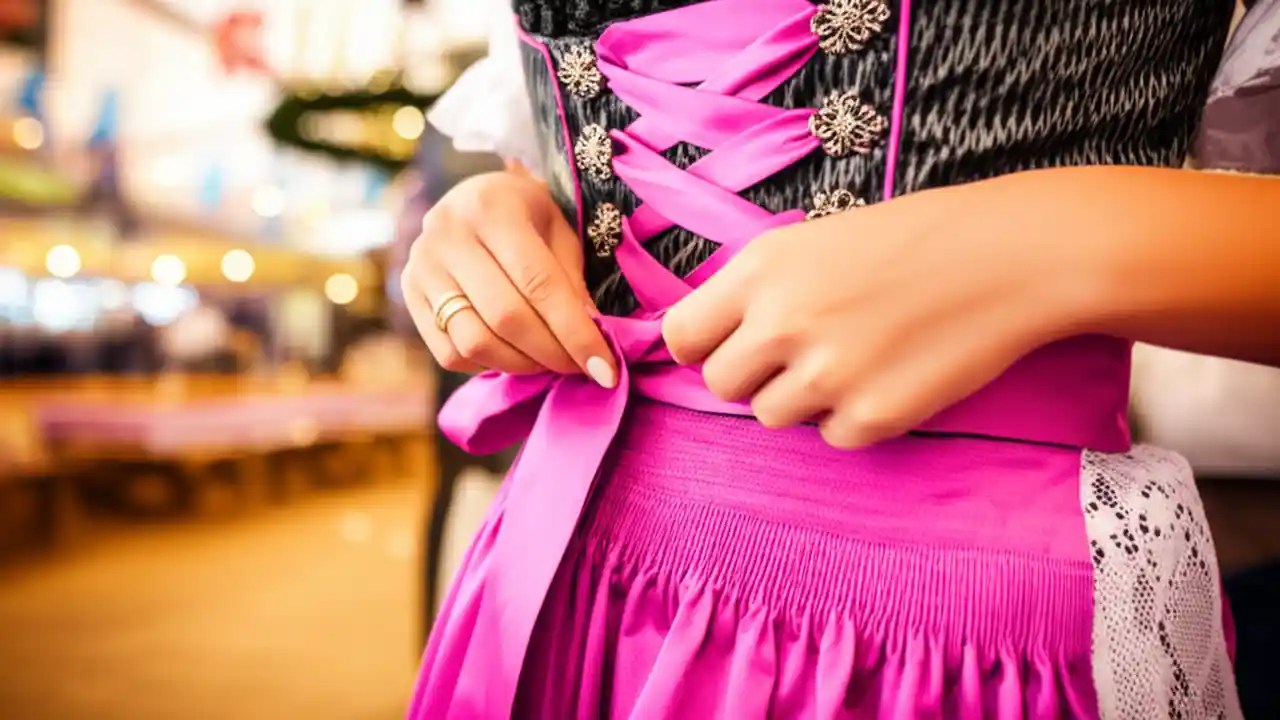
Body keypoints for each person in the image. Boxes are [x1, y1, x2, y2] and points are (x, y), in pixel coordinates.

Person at [401, 1, 1280, 717]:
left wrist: (1040, 245)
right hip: (563, 575)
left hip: (944, 642)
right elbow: (560, 140)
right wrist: (506, 213)